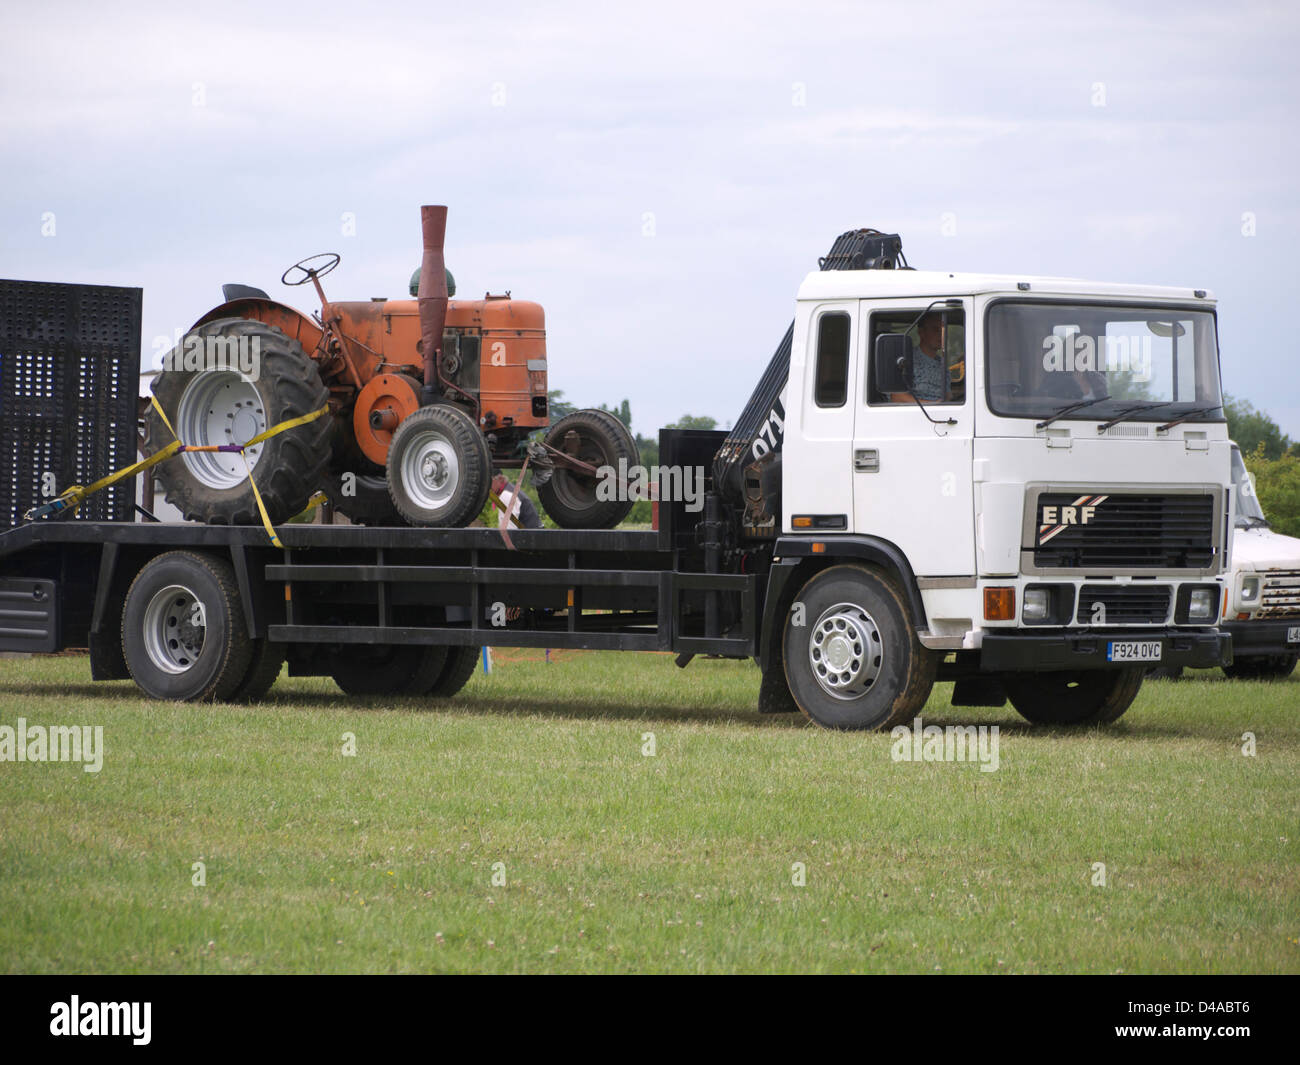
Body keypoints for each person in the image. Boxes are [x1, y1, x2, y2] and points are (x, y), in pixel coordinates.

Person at [890, 313, 947, 402]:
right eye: (935, 330)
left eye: (942, 330)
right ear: (921, 332)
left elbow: (948, 395)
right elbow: (897, 397)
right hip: (917, 414)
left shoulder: (942, 364)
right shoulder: (905, 360)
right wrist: (933, 405)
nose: (940, 335)